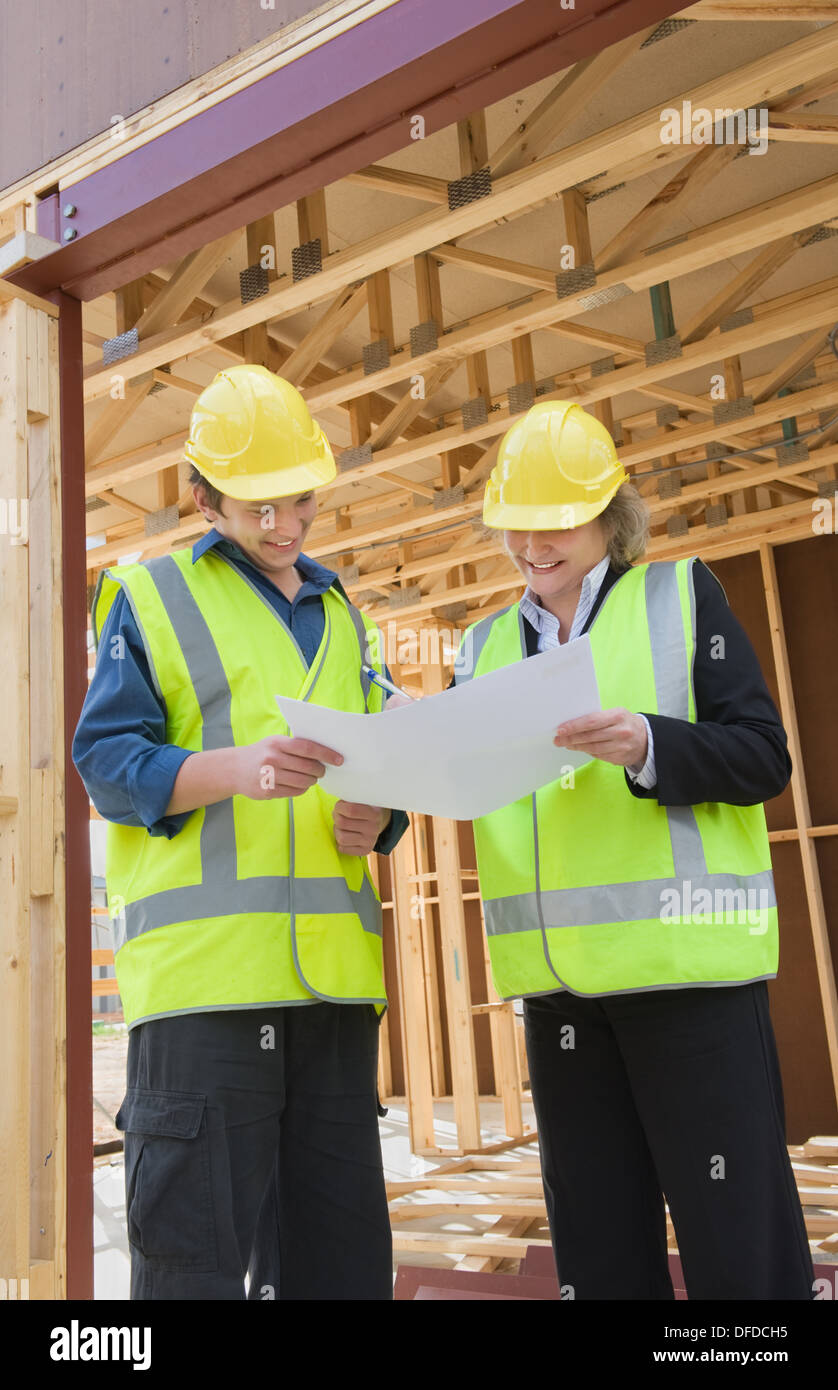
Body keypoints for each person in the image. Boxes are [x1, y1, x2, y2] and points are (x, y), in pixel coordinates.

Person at [452, 399, 814, 1300]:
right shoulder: (481, 647)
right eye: (518, 525)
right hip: (562, 993)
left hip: (686, 980)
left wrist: (651, 746)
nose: (536, 545)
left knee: (738, 1246)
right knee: (601, 1246)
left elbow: (764, 757)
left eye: (559, 522)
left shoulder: (682, 596)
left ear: (611, 516)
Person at [73, 365, 408, 1300]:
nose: (286, 526)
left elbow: (389, 757)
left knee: (338, 1273)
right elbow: (104, 762)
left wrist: (384, 815)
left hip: (335, 1000)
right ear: (201, 497)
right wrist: (236, 771)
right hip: (207, 998)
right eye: (259, 506)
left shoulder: (344, 614)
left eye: (299, 501)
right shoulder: (148, 598)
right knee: (196, 1273)